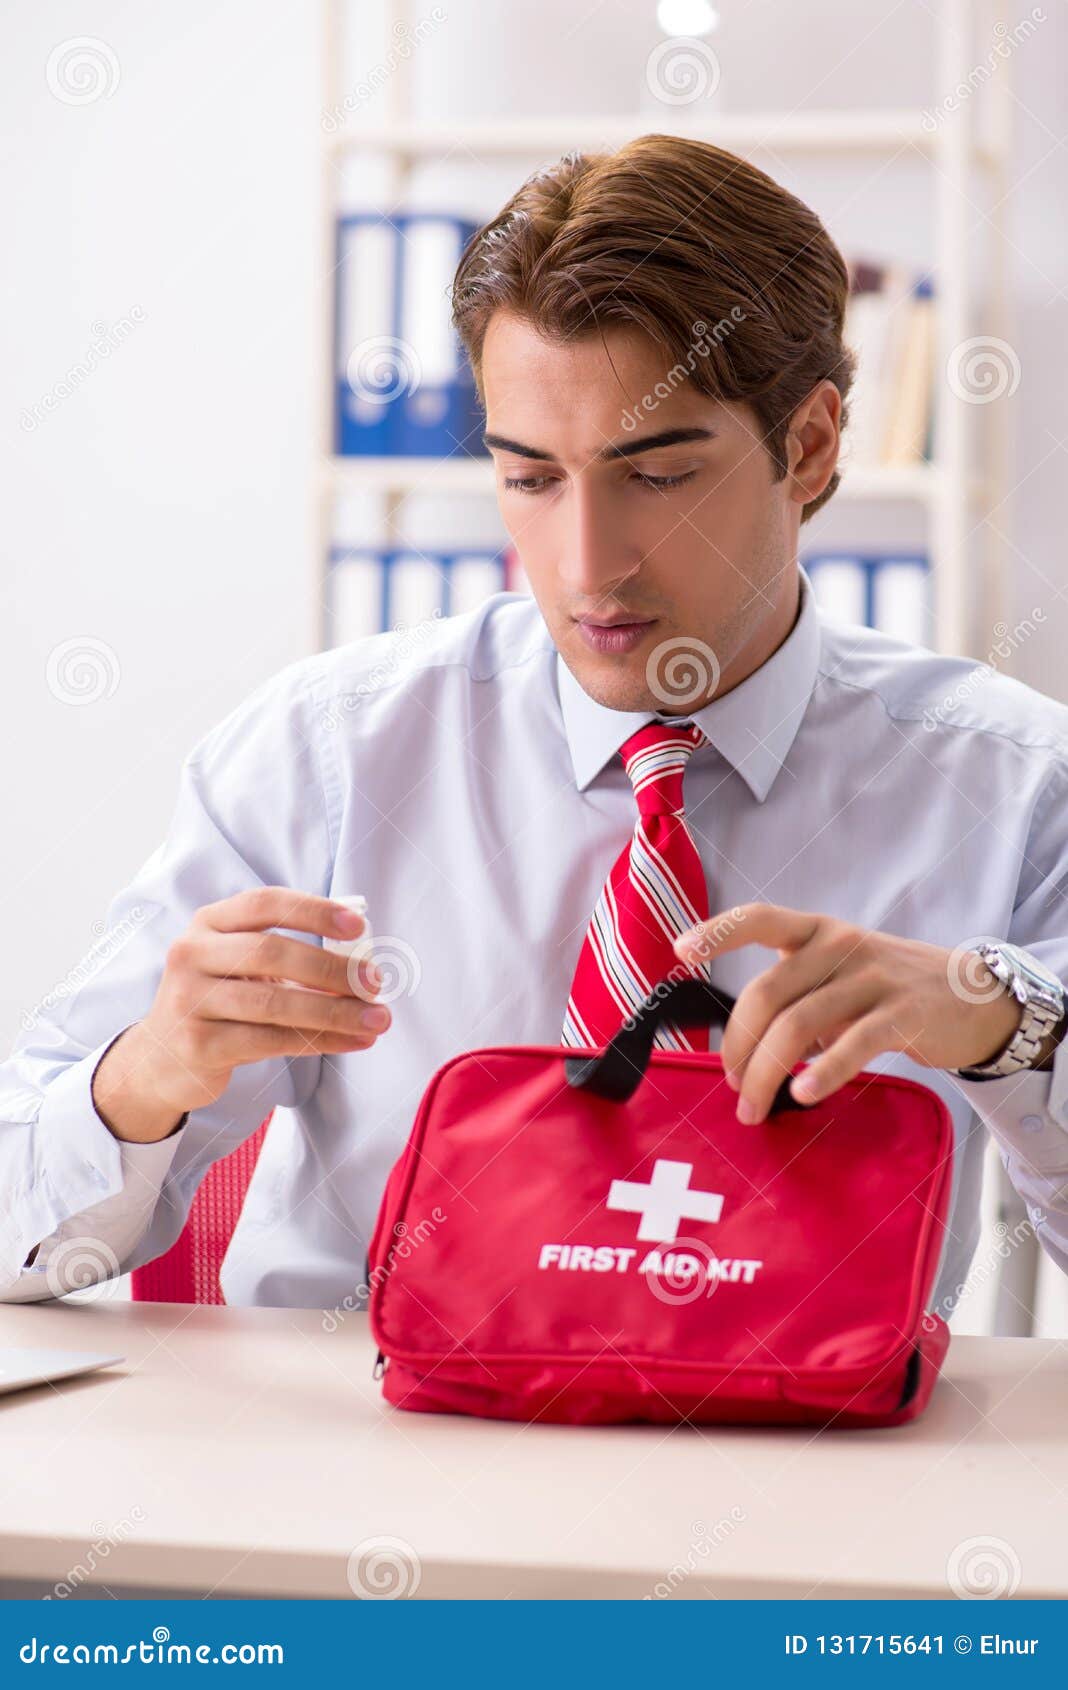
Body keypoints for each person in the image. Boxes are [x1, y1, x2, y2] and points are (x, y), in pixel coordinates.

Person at [3, 133, 1067, 1311]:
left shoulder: (1013, 783)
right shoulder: (325, 753)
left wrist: (1008, 1029)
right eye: (531, 477)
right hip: (369, 1461)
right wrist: (144, 1073)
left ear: (807, 447)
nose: (585, 564)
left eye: (656, 475)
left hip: (806, 1462)